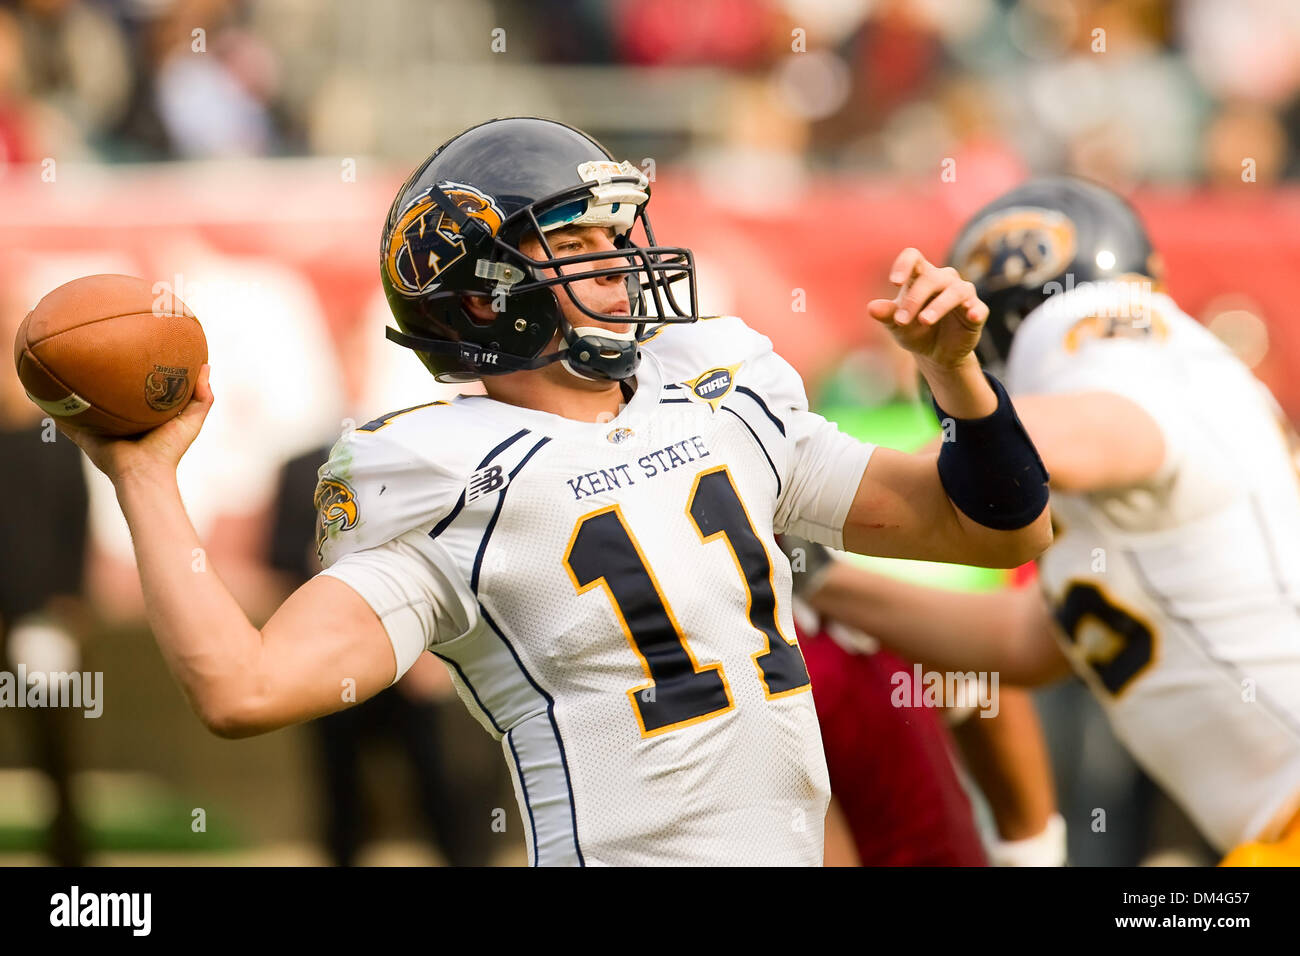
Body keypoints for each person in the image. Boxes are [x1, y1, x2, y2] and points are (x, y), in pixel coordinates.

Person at [52, 116, 1050, 866]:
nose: (618, 263)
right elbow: (245, 685)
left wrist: (957, 375)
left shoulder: (713, 385)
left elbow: (993, 528)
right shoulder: (443, 475)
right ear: (482, 291)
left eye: (617, 233)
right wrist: (141, 472)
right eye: (575, 244)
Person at [800, 176, 1300, 866]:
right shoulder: (1172, 391)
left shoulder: (1096, 334)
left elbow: (1082, 436)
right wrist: (816, 577)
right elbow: (1024, 641)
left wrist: (806, 491)